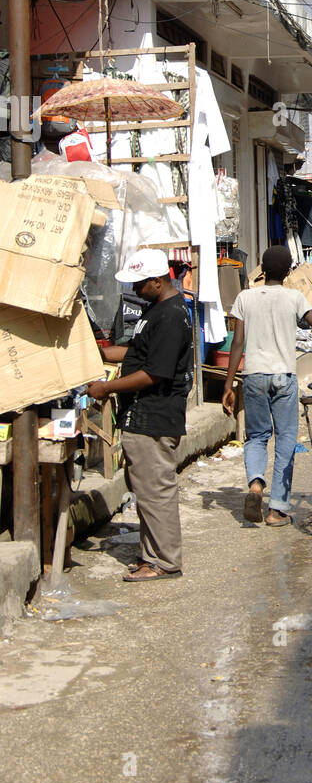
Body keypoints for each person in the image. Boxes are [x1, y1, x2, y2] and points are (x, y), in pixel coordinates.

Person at [222, 245, 312, 526]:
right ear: (288, 272)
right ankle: (276, 509)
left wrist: (229, 384)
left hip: (253, 376)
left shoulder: (245, 298)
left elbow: (237, 344)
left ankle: (255, 485)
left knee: (256, 437)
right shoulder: (294, 298)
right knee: (286, 439)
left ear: (262, 271)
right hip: (283, 377)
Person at [87, 248, 193, 581]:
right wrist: (99, 352)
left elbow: (154, 372)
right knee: (145, 490)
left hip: (154, 416)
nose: (135, 290)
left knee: (155, 490)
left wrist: (108, 388)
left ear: (159, 281)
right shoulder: (156, 311)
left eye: (140, 283)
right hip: (142, 416)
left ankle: (163, 561)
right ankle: (152, 556)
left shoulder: (171, 316)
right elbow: (136, 351)